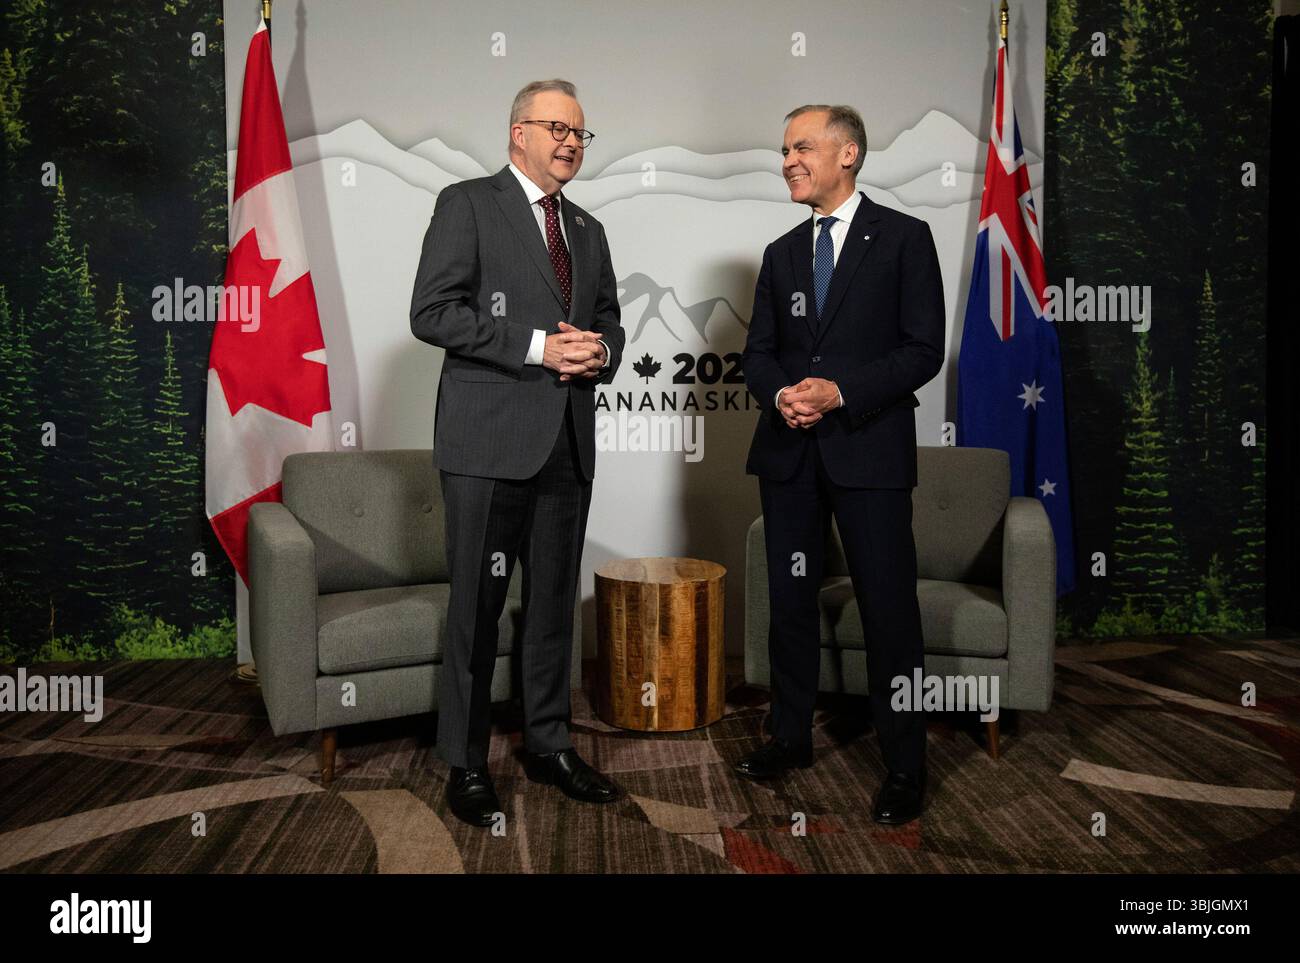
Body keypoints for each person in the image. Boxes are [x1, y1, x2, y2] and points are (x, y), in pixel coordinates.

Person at [409, 79, 625, 827]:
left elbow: (610, 325)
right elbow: (432, 312)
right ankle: (465, 763)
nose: (570, 142)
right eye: (557, 127)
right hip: (487, 445)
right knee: (476, 608)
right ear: (517, 133)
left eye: (580, 132)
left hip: (567, 444)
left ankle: (549, 743)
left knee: (553, 610)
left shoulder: (590, 230)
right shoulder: (466, 203)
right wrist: (537, 347)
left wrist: (600, 349)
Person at [738, 104, 945, 825]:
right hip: (790, 454)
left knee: (889, 612)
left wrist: (841, 391)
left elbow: (924, 349)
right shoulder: (781, 253)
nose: (787, 159)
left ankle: (904, 764)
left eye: (801, 146)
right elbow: (756, 354)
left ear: (848, 152)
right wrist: (783, 394)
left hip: (870, 455)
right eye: (784, 148)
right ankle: (788, 737)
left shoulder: (905, 240)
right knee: (789, 606)